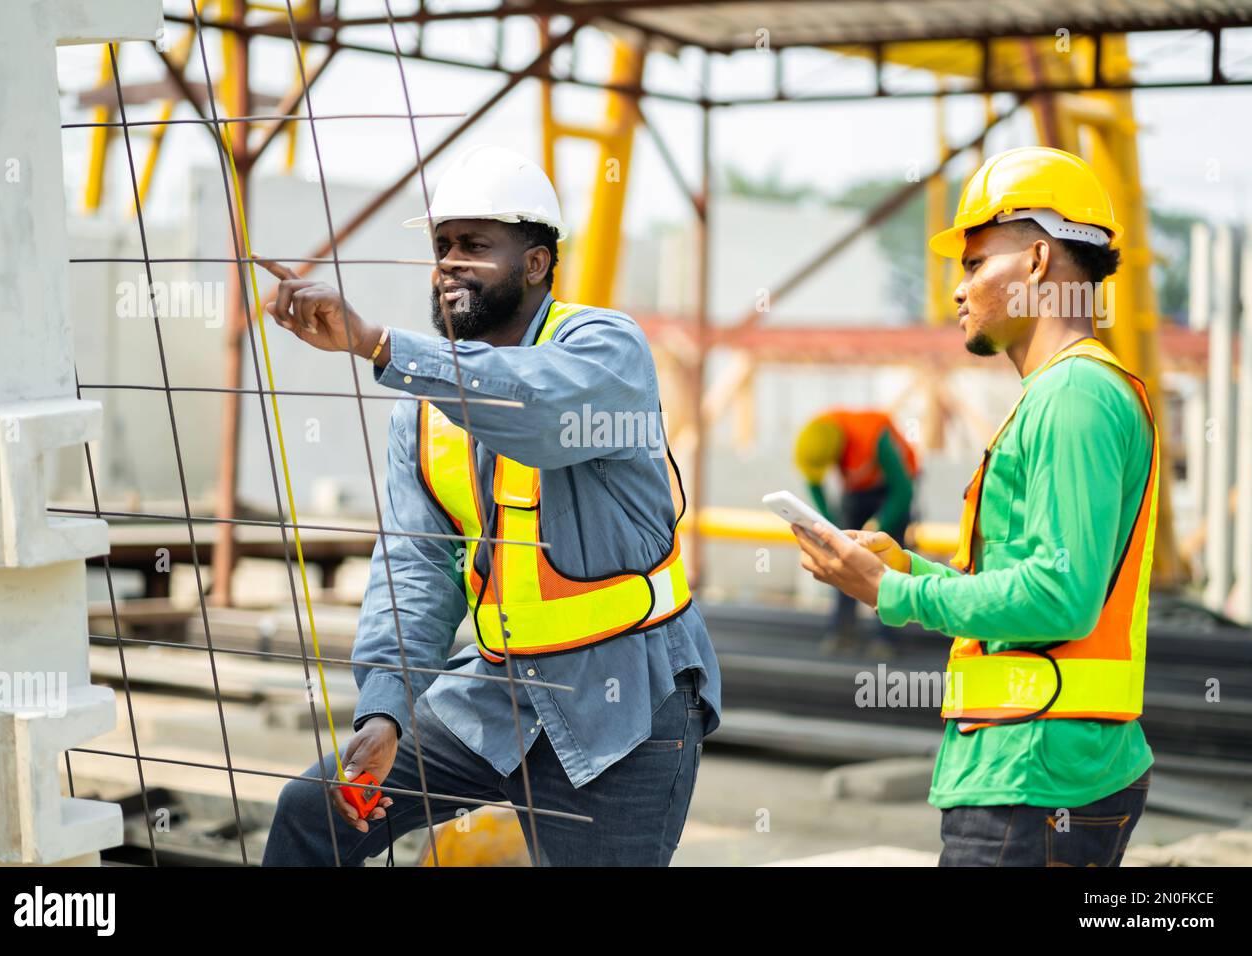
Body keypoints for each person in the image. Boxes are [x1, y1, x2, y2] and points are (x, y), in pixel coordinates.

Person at [258, 145, 720, 866]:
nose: (447, 265)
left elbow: (533, 408)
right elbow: (414, 567)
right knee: (311, 815)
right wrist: (384, 709)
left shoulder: (607, 350)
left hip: (624, 699)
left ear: (535, 263)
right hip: (496, 691)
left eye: (474, 246)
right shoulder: (421, 409)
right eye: (441, 247)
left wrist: (377, 344)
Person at [789, 146, 1156, 867]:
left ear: (1040, 263)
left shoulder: (1073, 398)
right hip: (1033, 761)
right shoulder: (1060, 396)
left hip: (1038, 771)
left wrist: (892, 593)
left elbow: (1059, 596)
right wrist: (909, 569)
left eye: (974, 264)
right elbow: (1033, 579)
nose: (958, 291)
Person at [794, 408, 916, 647]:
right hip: (858, 492)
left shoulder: (874, 438)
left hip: (890, 491)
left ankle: (887, 637)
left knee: (889, 563)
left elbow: (904, 491)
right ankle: (842, 630)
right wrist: (829, 526)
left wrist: (879, 525)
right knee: (843, 555)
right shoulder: (820, 440)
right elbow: (816, 485)